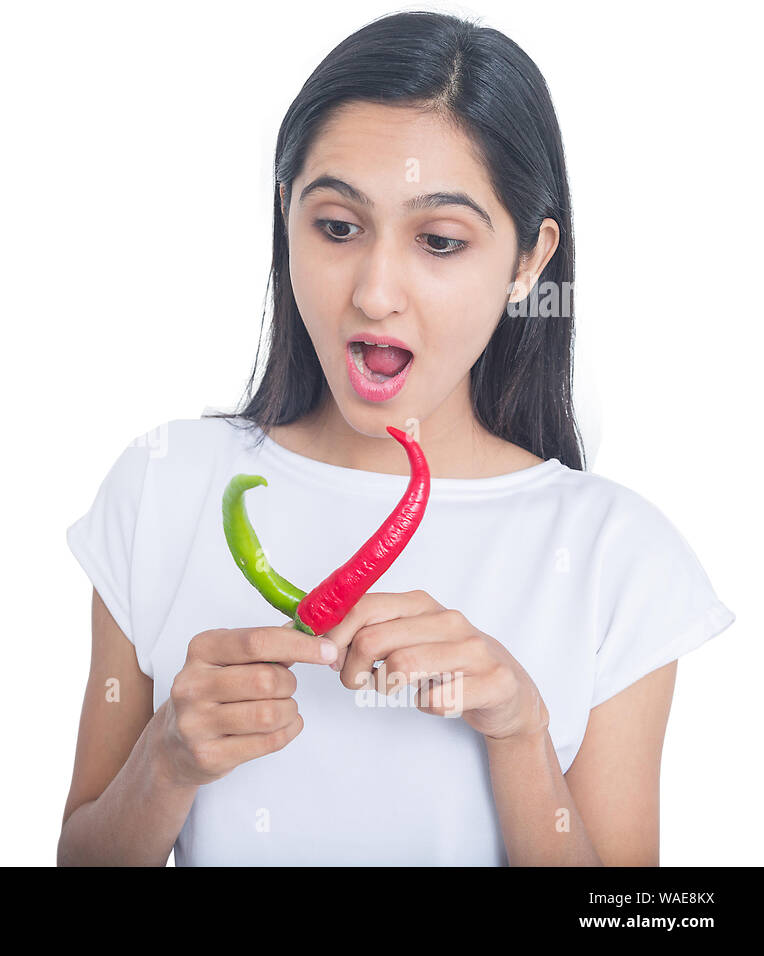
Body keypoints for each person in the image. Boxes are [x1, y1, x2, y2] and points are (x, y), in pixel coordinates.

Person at [58, 10, 735, 866]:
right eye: (337, 227)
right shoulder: (162, 486)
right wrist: (164, 763)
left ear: (530, 262)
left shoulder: (618, 556)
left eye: (440, 242)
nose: (376, 292)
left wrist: (520, 732)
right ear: (285, 217)